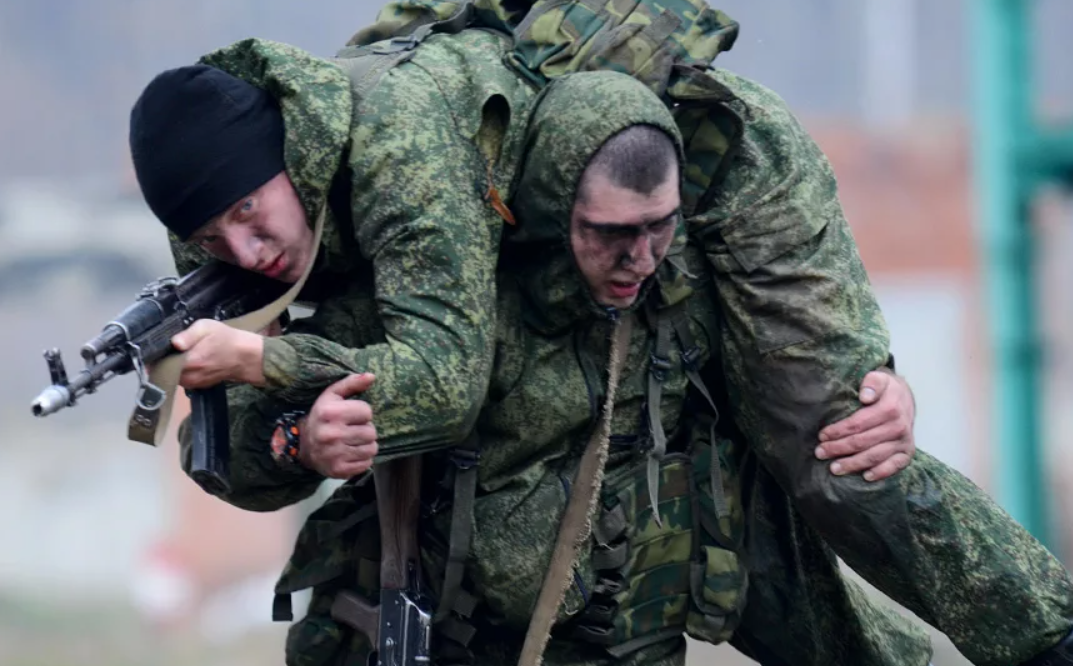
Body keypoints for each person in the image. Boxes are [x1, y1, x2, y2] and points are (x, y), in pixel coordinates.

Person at [125, 6, 1073, 665]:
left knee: (839, 438)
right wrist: (294, 435)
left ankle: (1047, 637)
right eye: (215, 237)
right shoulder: (234, 219)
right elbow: (244, 455)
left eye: (253, 214)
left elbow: (442, 379)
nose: (247, 249)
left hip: (706, 181)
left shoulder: (396, 154)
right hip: (524, 403)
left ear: (289, 154)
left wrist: (868, 363)